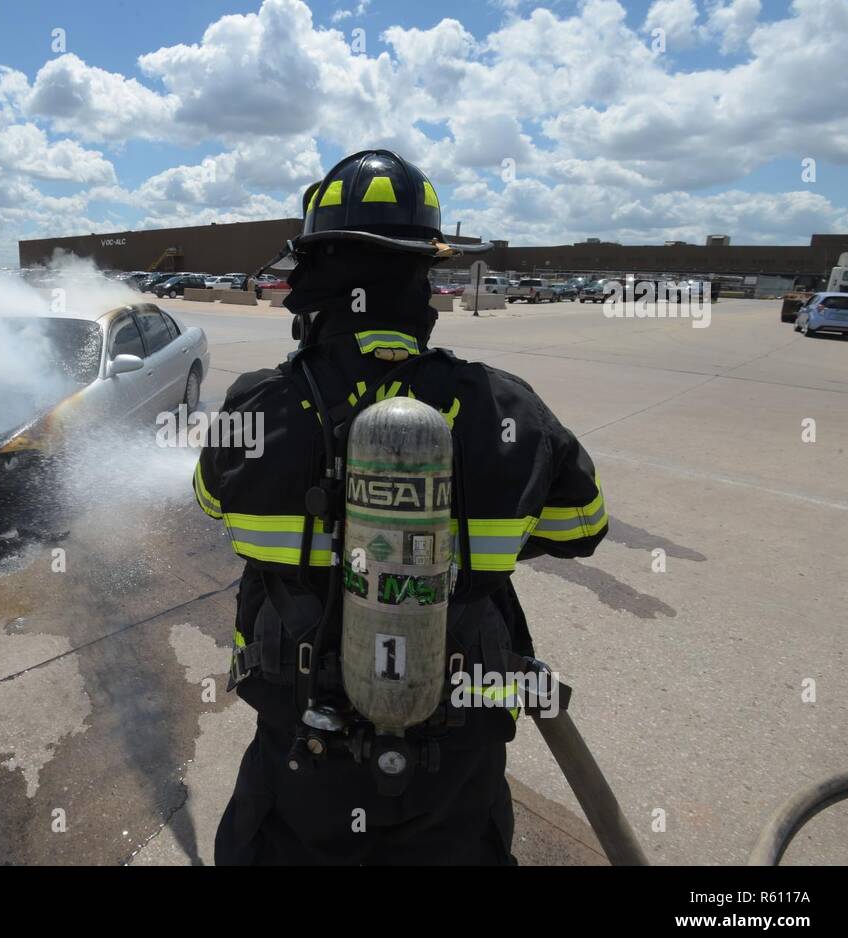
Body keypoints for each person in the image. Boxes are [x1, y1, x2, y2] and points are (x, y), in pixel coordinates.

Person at [193, 149, 608, 865]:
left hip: (302, 760)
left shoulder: (257, 406)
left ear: (317, 277)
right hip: (454, 771)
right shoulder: (506, 406)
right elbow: (582, 528)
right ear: (423, 279)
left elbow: (211, 503)